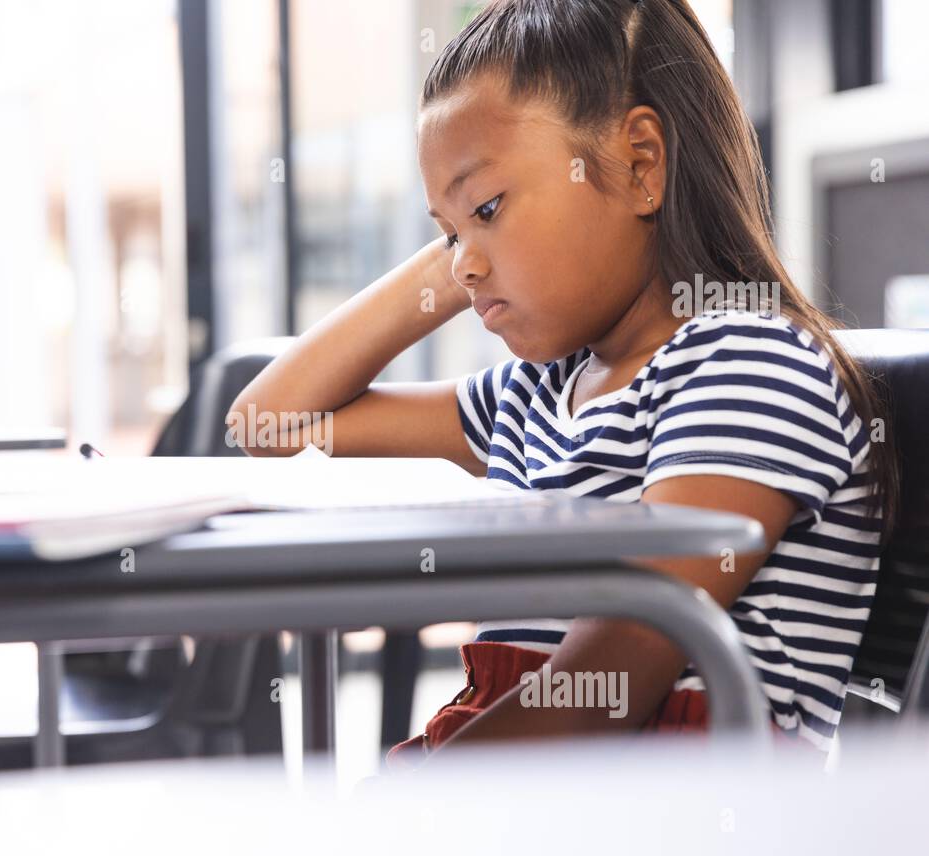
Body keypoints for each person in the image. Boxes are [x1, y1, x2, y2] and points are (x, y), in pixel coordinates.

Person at [229, 0, 895, 759]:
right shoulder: (534, 393)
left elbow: (601, 692)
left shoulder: (748, 365)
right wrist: (463, 247)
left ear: (641, 164)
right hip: (537, 785)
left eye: (489, 206)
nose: (464, 263)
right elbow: (268, 422)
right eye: (447, 233)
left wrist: (409, 802)